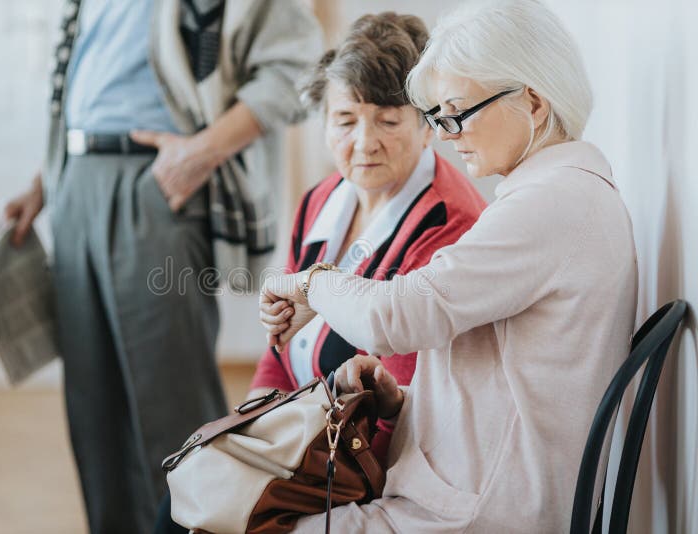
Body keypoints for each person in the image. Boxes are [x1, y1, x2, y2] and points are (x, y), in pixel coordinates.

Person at [259, 0, 638, 531]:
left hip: (484, 509)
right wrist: (401, 401)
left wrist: (309, 282)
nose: (448, 133)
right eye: (440, 116)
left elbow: (396, 317)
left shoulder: (551, 203)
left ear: (531, 102)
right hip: (480, 485)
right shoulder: (555, 193)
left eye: (458, 111)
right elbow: (508, 383)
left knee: (241, 519)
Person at [2, 1, 322, 532]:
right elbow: (92, 81)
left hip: (158, 183)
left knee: (171, 407)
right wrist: (43, 183)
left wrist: (204, 151)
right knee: (93, 410)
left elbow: (301, 68)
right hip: (76, 180)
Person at [248, 12, 485, 466]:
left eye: (388, 121)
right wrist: (251, 433)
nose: (363, 142)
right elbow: (276, 351)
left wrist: (277, 469)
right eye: (344, 119)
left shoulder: (449, 227)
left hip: (370, 463)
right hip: (303, 438)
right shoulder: (319, 202)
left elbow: (398, 413)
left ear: (426, 125)